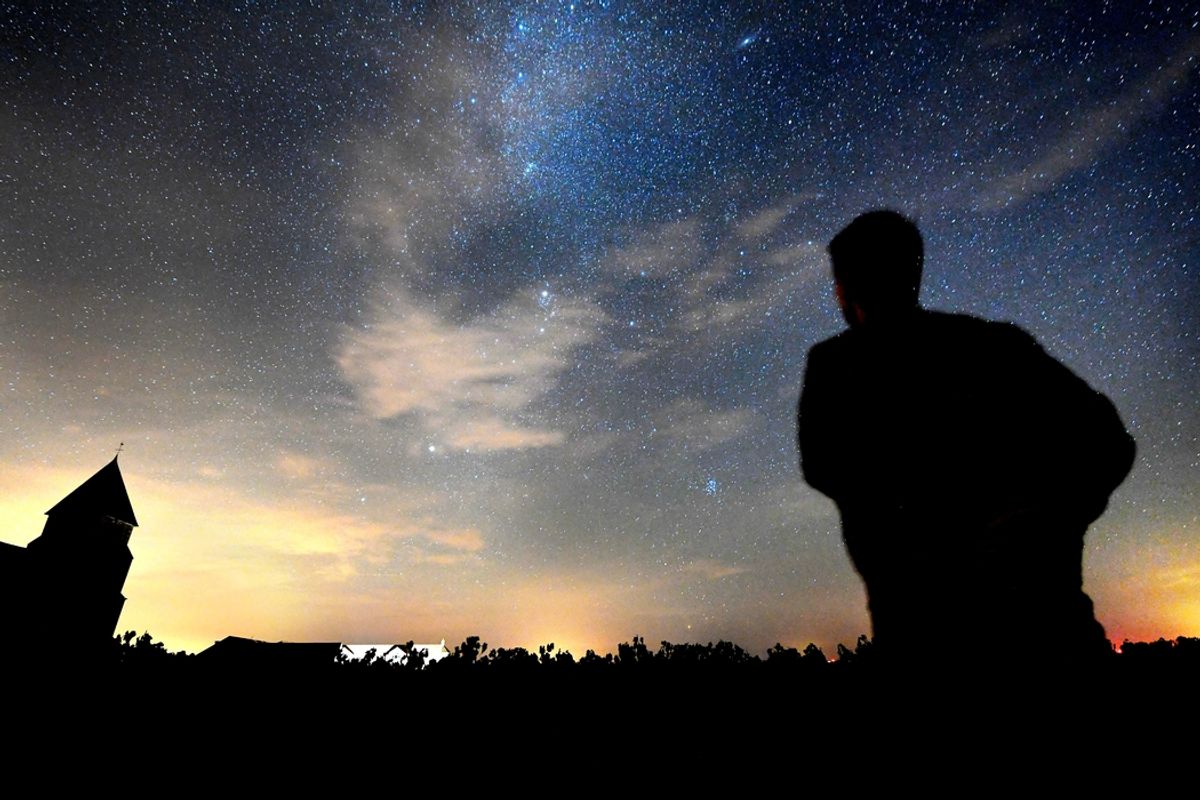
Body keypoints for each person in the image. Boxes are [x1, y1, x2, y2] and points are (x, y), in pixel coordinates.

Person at [797, 210, 1136, 666]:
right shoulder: (998, 346)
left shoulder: (836, 366)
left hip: (932, 635)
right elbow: (1108, 440)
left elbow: (824, 466)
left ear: (846, 286)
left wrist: (1035, 525)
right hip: (1044, 629)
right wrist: (1051, 521)